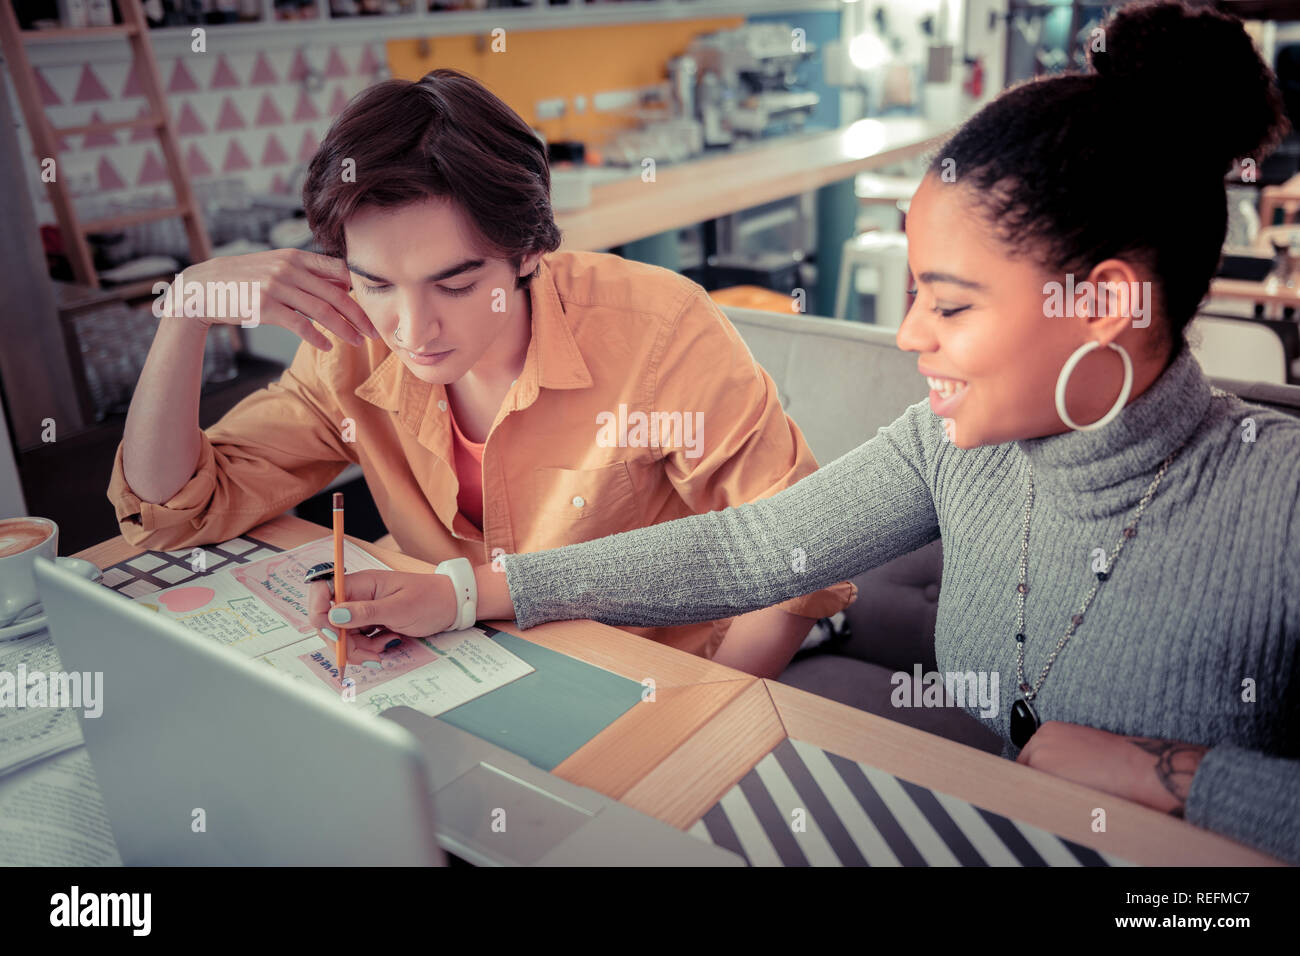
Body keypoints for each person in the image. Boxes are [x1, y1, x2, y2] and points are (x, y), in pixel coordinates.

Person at [307, 1, 1300, 864]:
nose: (909, 335)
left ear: (1102, 303)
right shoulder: (948, 443)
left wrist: (1177, 773)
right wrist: (465, 591)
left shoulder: (1280, 495)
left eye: (949, 307)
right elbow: (751, 545)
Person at [107, 68, 856, 675]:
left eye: (456, 284)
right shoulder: (353, 336)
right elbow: (175, 509)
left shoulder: (659, 331)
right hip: (462, 665)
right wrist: (188, 308)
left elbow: (802, 553)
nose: (411, 328)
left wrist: (701, 723)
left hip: (652, 677)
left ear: (528, 250)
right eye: (375, 282)